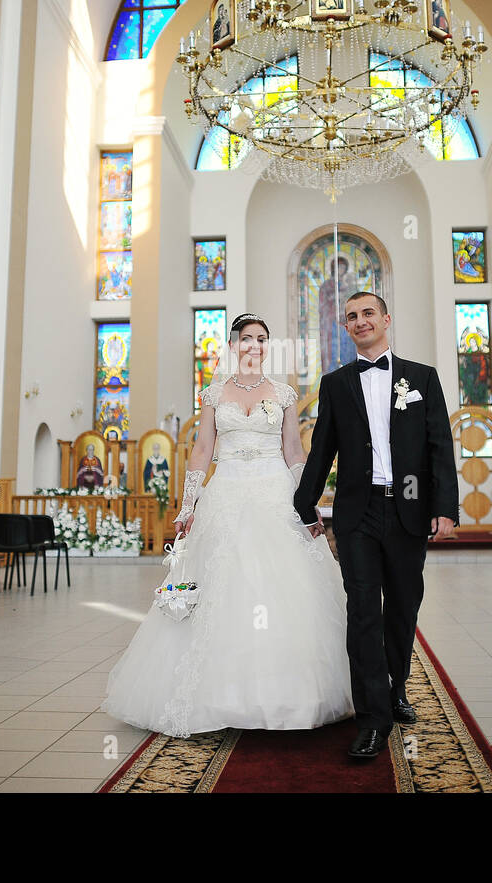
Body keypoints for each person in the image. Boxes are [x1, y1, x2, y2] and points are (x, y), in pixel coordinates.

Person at [102, 314, 353, 738]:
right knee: (224, 582)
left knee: (284, 585)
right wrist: (188, 503)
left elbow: (294, 451)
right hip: (229, 492)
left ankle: (291, 694)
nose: (255, 345)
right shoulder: (216, 394)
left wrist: (307, 503)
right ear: (233, 344)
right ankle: (219, 696)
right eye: (248, 338)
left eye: (262, 339)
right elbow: (203, 449)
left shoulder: (285, 393)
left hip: (276, 494)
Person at [294, 291, 459, 760]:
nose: (361, 321)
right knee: (363, 610)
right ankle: (371, 719)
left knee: (403, 607)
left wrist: (444, 506)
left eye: (368, 313)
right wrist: (304, 503)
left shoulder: (421, 378)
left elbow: (439, 446)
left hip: (408, 504)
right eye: (352, 317)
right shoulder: (336, 383)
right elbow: (323, 447)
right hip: (357, 511)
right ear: (346, 328)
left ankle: (397, 685)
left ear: (386, 318)